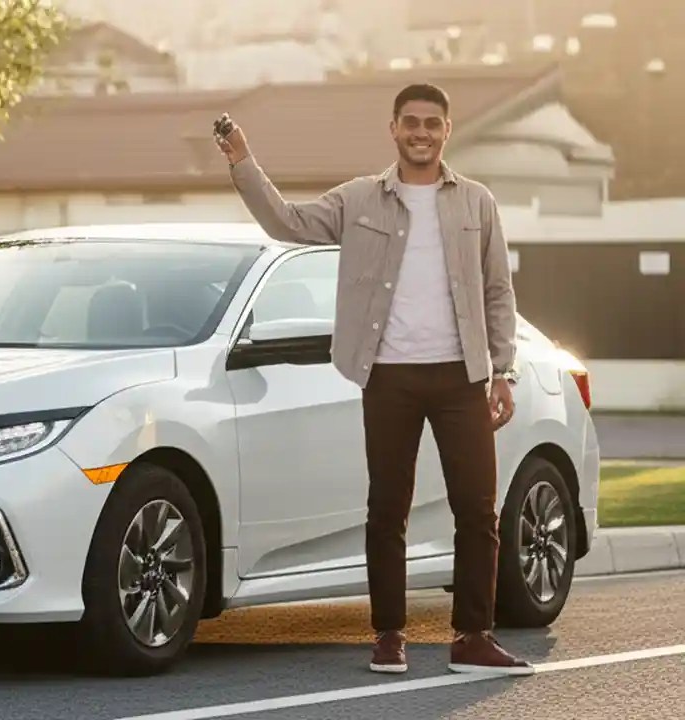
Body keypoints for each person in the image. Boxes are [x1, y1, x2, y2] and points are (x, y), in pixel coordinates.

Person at [214, 83, 534, 676]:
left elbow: (497, 291)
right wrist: (243, 162)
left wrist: (503, 370)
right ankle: (389, 635)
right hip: (388, 376)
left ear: (446, 130)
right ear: (393, 128)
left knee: (478, 510)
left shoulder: (477, 203)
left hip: (461, 376)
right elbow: (288, 223)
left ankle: (472, 636)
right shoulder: (359, 199)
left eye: (431, 123)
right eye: (410, 122)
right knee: (388, 508)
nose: (421, 132)